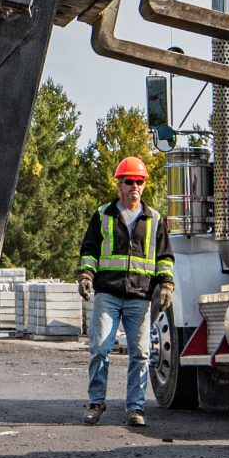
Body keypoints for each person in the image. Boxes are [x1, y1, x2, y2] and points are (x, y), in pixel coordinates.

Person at [77, 155, 173, 427]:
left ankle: (135, 409)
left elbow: (165, 257)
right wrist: (86, 275)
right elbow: (89, 251)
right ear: (119, 184)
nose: (135, 186)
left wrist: (166, 284)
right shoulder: (103, 215)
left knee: (141, 354)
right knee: (99, 348)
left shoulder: (154, 219)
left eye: (140, 182)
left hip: (139, 297)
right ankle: (96, 403)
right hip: (107, 292)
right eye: (130, 181)